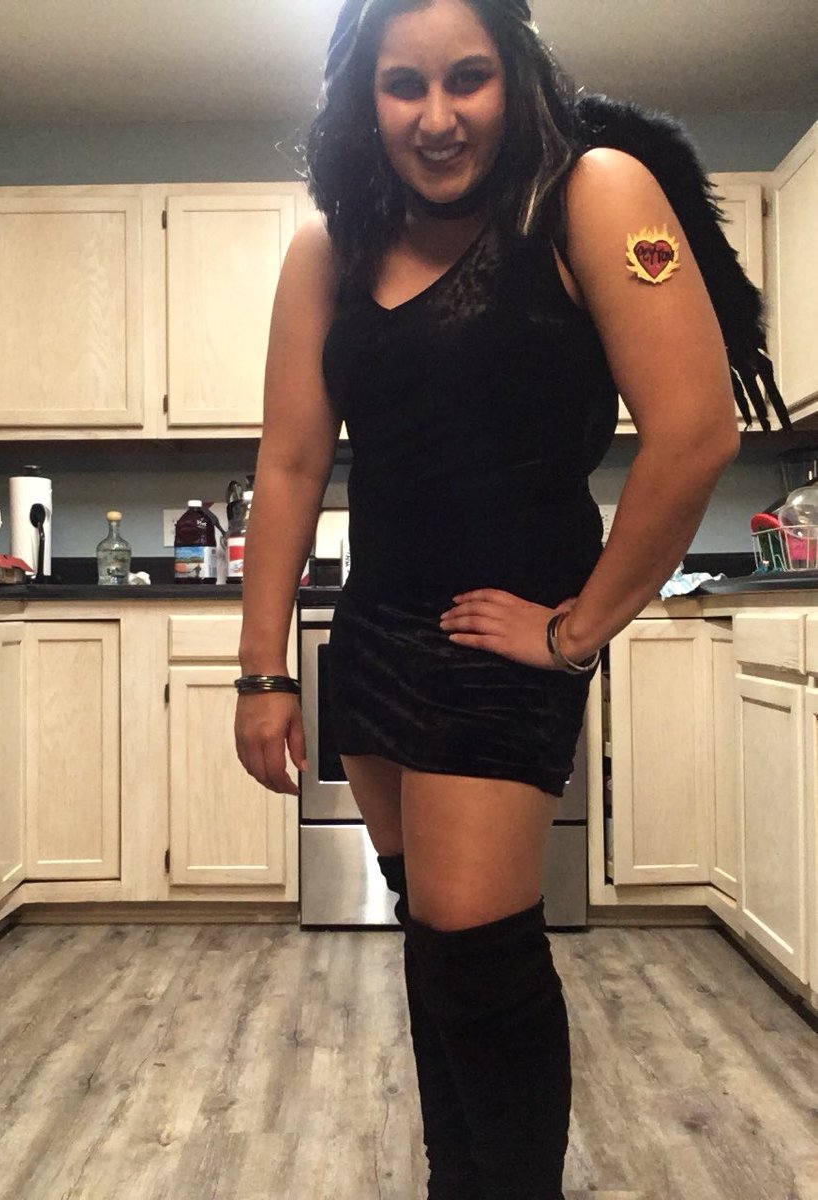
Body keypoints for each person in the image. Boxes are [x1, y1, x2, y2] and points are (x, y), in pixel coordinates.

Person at [234, 1, 741, 1196]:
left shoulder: (590, 195)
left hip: (502, 641)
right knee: (435, 936)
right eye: (403, 84)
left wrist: (573, 631)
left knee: (479, 948)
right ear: (364, 99)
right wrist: (263, 671)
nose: (437, 115)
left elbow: (696, 434)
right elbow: (291, 464)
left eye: (467, 78)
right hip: (374, 635)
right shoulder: (330, 251)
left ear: (514, 76)